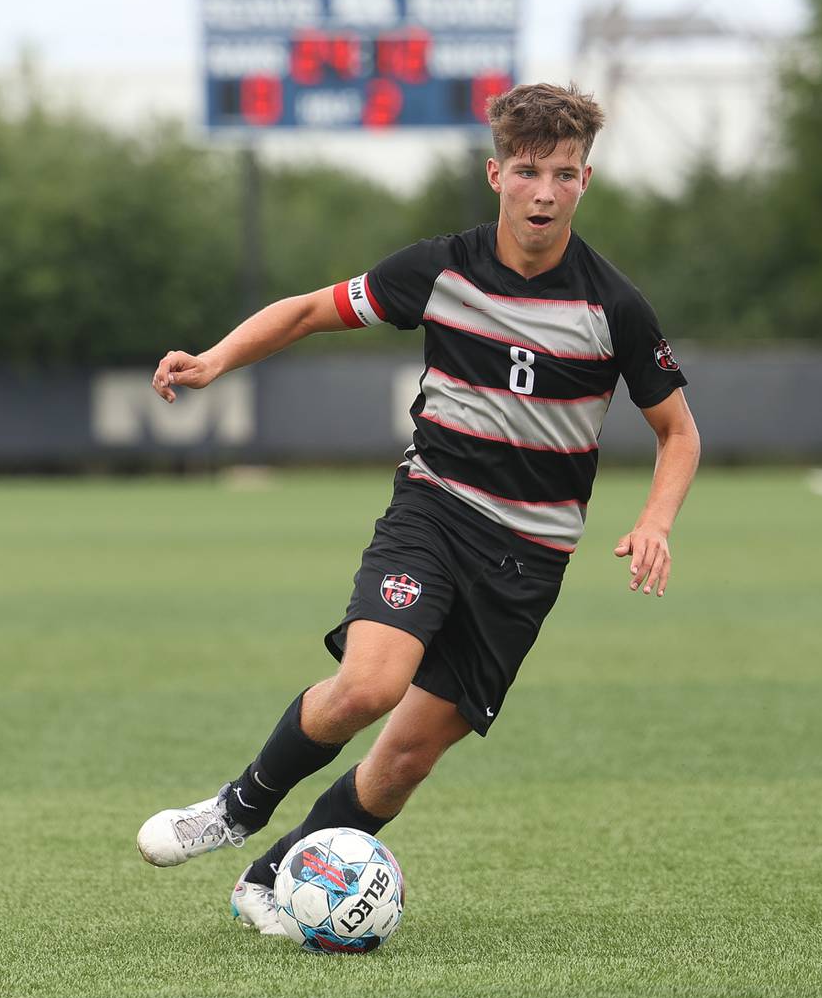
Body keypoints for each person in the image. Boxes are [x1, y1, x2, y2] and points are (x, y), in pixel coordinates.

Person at [135, 83, 701, 938]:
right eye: (526, 171)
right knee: (369, 685)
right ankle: (237, 808)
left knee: (402, 760)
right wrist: (215, 362)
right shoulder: (440, 268)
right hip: (434, 514)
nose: (544, 191)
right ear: (495, 174)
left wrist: (656, 519)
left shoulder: (613, 307)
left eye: (563, 173)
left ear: (586, 181)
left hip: (529, 563)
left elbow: (679, 433)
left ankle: (271, 876)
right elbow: (305, 311)